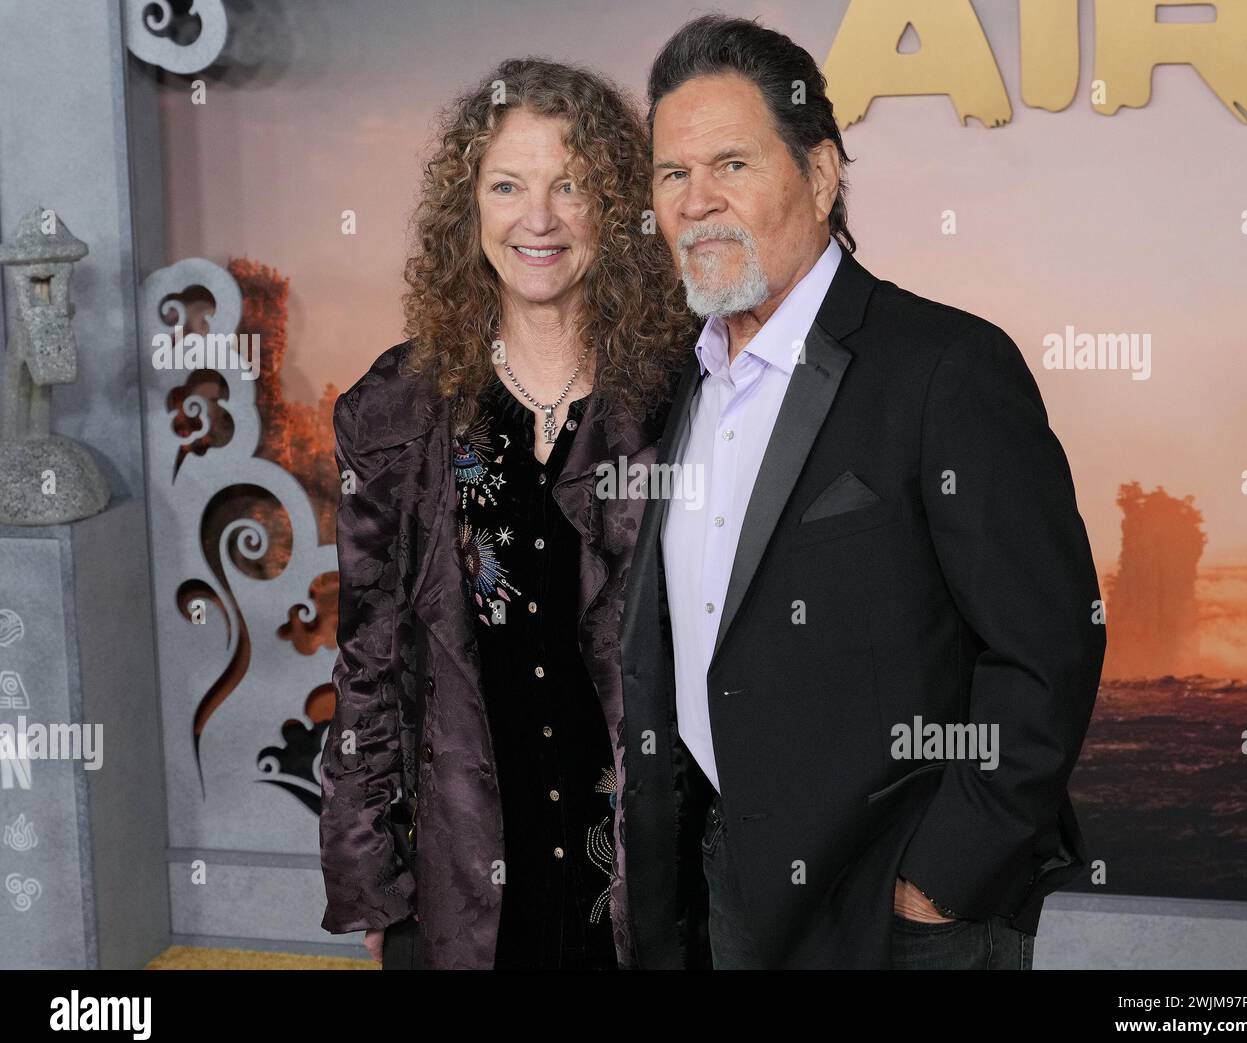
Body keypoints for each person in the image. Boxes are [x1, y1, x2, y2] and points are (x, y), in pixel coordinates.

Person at [620, 15, 1107, 969]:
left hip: (896, 920)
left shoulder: (947, 367)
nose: (697, 201)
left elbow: (1049, 646)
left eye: (733, 164)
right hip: (724, 905)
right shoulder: (672, 392)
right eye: (673, 174)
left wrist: (938, 889)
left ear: (823, 172)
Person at [319, 57, 693, 969]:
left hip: (652, 887)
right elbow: (368, 663)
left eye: (572, 185)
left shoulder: (687, 393)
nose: (540, 217)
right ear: (469, 209)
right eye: (508, 185)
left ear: (616, 207)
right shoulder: (397, 407)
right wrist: (374, 886)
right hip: (464, 888)